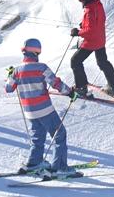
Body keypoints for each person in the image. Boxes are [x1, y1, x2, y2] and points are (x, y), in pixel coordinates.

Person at [4, 38, 75, 177]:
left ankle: (34, 163)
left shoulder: (16, 71)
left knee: (37, 137)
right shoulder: (41, 67)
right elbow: (56, 83)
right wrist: (70, 92)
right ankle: (59, 167)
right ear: (37, 52)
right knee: (59, 134)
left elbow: (8, 88)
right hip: (44, 109)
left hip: (29, 112)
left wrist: (9, 75)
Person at [67, 0, 114, 98]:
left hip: (92, 41)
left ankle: (81, 88)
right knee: (102, 62)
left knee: (75, 61)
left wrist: (78, 32)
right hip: (100, 39)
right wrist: (84, 24)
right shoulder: (97, 4)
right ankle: (113, 86)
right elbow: (99, 20)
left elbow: (90, 31)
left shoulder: (90, 9)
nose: (80, 2)